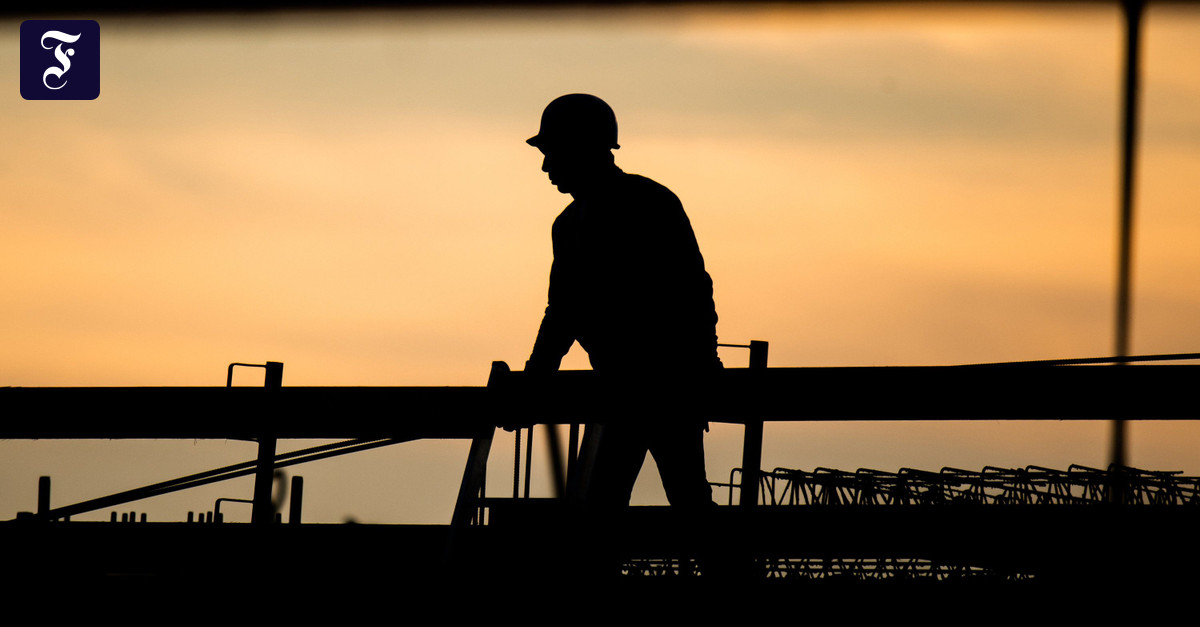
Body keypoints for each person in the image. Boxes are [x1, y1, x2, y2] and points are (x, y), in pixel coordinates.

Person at [524, 94, 721, 510]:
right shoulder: (571, 224)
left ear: (581, 149)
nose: (545, 167)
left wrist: (701, 366)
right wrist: (534, 379)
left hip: (666, 388)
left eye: (552, 153)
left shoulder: (646, 204)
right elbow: (562, 313)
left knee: (678, 503)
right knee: (608, 506)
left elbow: (690, 290)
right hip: (623, 391)